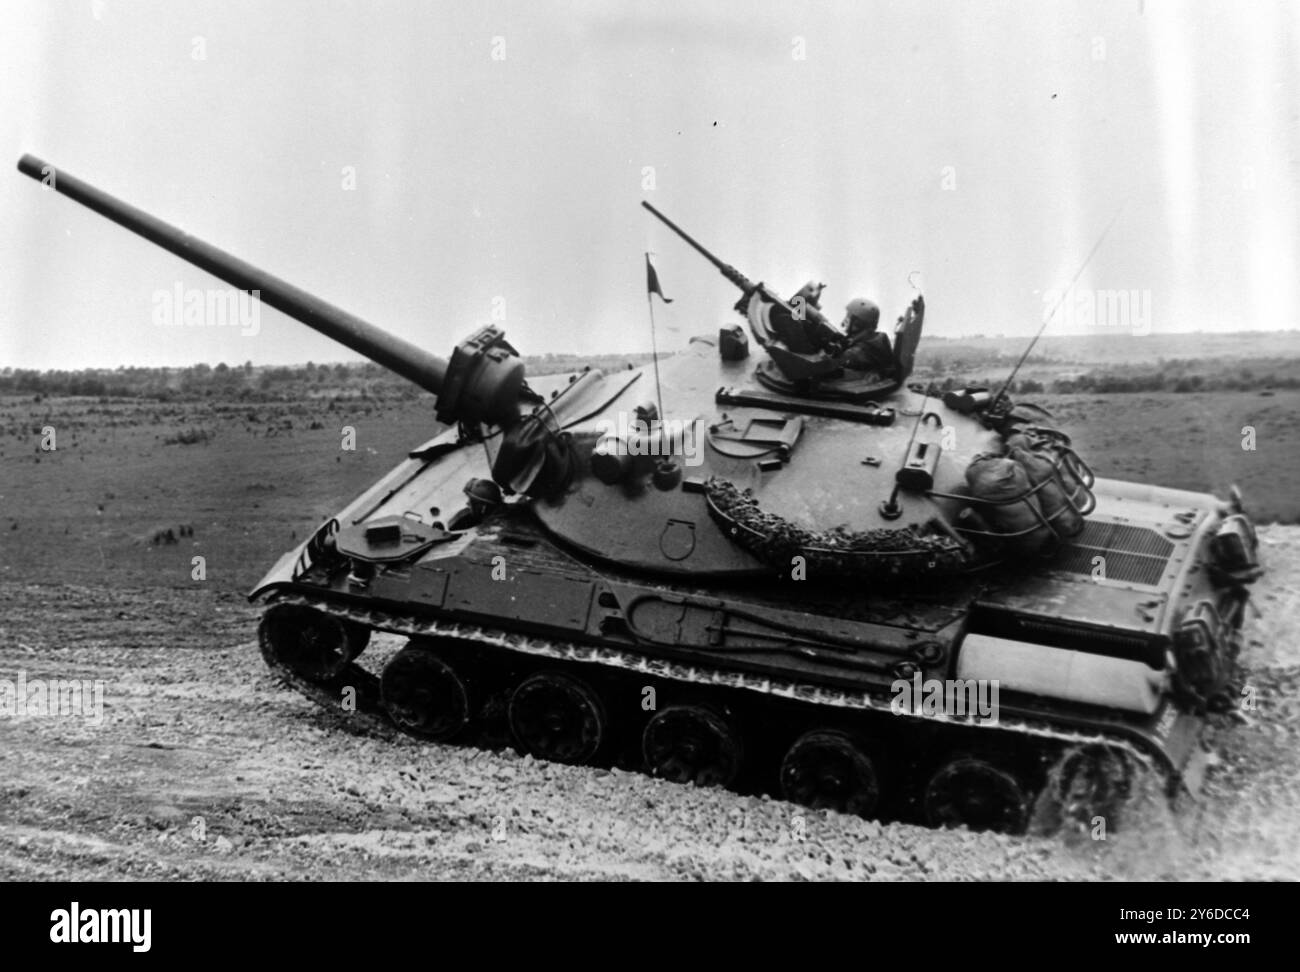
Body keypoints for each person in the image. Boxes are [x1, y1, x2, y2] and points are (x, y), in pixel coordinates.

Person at [835, 298, 893, 375]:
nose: (844, 321)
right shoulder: (880, 338)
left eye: (848, 317)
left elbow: (834, 364)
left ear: (858, 324)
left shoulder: (853, 354)